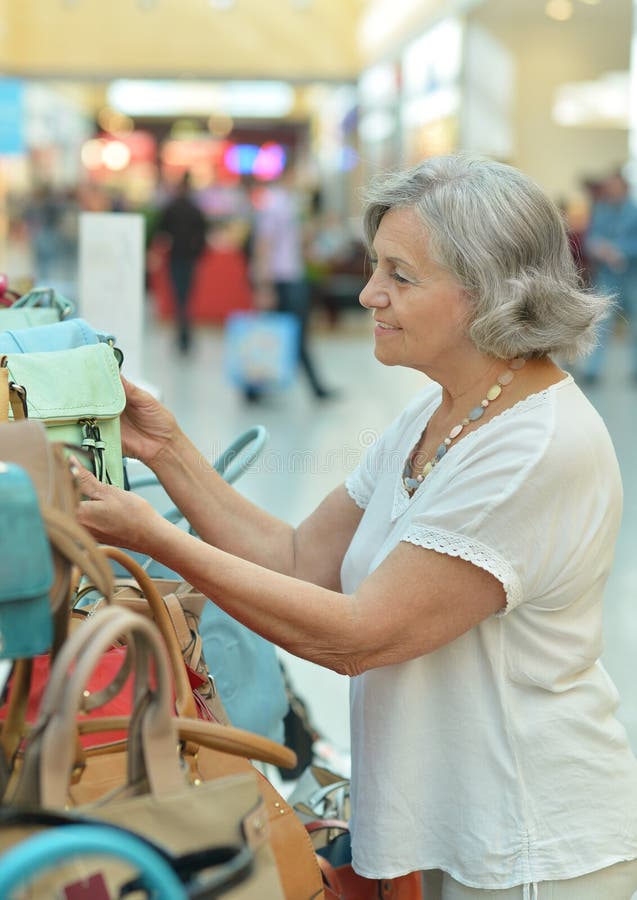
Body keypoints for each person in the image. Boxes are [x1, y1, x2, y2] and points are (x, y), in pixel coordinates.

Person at [75, 154, 637, 898]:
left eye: (401, 276)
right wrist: (167, 448)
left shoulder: (533, 448)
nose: (370, 293)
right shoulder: (436, 413)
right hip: (448, 826)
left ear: (493, 292)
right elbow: (300, 557)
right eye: (376, 267)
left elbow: (356, 635)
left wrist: (153, 536)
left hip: (528, 844)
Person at [248, 168, 338, 402]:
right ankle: (254, 388)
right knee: (279, 333)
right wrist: (263, 286)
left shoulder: (291, 204)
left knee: (292, 333)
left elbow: (299, 241)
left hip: (292, 276)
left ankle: (258, 389)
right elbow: (263, 244)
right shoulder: (274, 205)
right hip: (279, 279)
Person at [581, 169, 637, 383]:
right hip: (607, 278)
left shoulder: (634, 211)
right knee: (602, 324)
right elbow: (589, 240)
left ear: (624, 187)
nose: (611, 190)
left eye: (615, 186)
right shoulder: (601, 211)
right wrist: (599, 249)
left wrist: (619, 250)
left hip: (632, 277)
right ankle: (593, 370)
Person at [155, 172, 208, 354]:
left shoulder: (172, 208)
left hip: (176, 258)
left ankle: (182, 336)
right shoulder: (195, 210)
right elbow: (203, 236)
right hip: (189, 260)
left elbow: (160, 232)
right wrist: (196, 253)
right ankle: (185, 337)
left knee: (179, 299)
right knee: (186, 299)